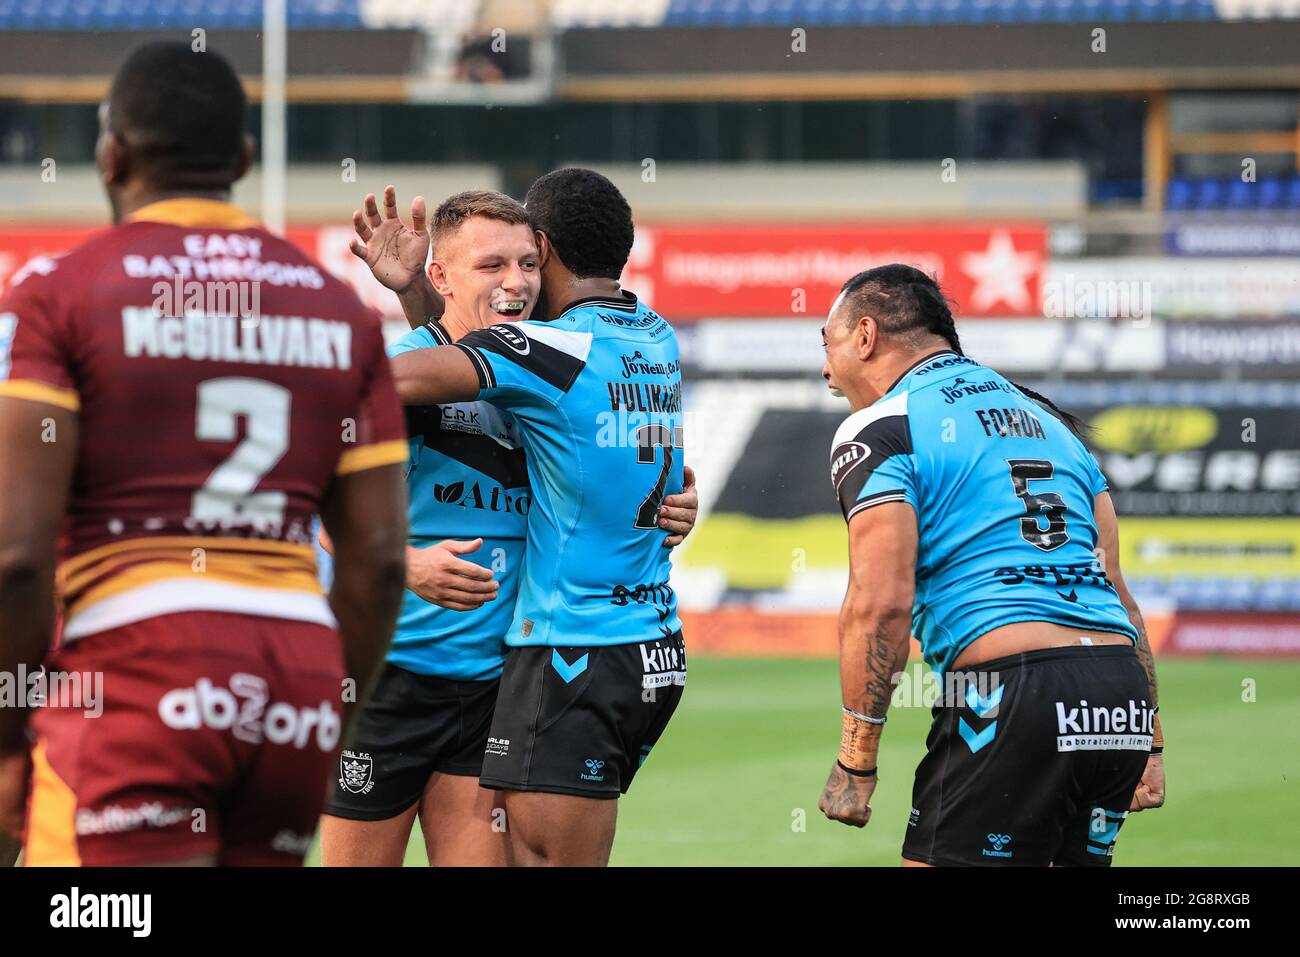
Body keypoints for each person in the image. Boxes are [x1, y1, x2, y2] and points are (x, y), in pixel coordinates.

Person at [0, 41, 408, 866]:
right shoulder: (340, 311)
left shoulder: (60, 292)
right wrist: (327, 712)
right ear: (245, 159)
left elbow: (14, 555)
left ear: (111, 155)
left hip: (134, 668)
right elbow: (379, 564)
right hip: (295, 680)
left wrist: (10, 733)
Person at [386, 168, 688, 866]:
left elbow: (402, 376)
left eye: (524, 259)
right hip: (654, 645)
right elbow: (481, 360)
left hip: (574, 649)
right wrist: (420, 295)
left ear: (544, 249)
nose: (515, 280)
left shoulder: (550, 350)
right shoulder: (655, 335)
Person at [817, 264, 1165, 866]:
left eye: (828, 343)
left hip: (1012, 692)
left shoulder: (880, 428)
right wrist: (1150, 744)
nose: (826, 368)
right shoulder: (1054, 425)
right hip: (1119, 693)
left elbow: (881, 606)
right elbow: (1119, 596)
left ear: (865, 337)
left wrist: (856, 760)